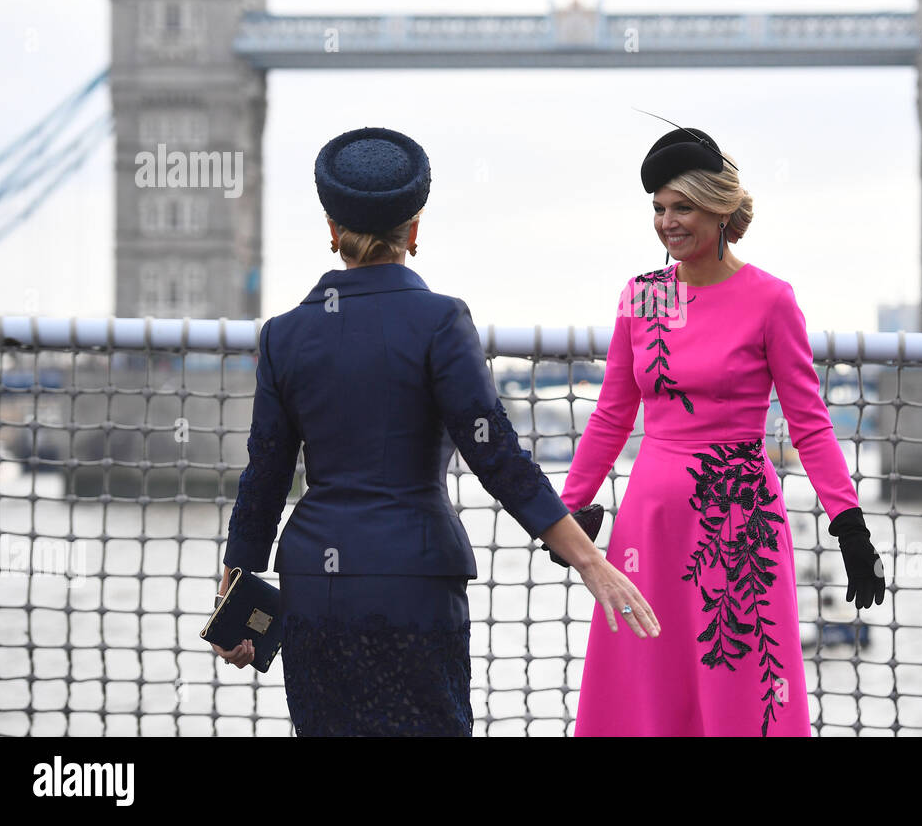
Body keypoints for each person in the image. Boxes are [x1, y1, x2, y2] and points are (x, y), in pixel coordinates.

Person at [210, 126, 658, 736]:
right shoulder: (440, 321)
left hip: (316, 585)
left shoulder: (284, 336)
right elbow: (495, 454)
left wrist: (232, 596)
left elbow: (262, 478)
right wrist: (589, 561)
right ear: (414, 231)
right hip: (414, 580)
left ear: (332, 229)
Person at [559, 126, 886, 737]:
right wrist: (571, 506)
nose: (666, 222)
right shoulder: (645, 297)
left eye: (682, 207)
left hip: (740, 524)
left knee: (741, 686)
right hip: (649, 524)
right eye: (658, 207)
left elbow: (810, 425)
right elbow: (611, 414)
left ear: (720, 208)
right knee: (646, 682)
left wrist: (849, 526)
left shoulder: (771, 300)